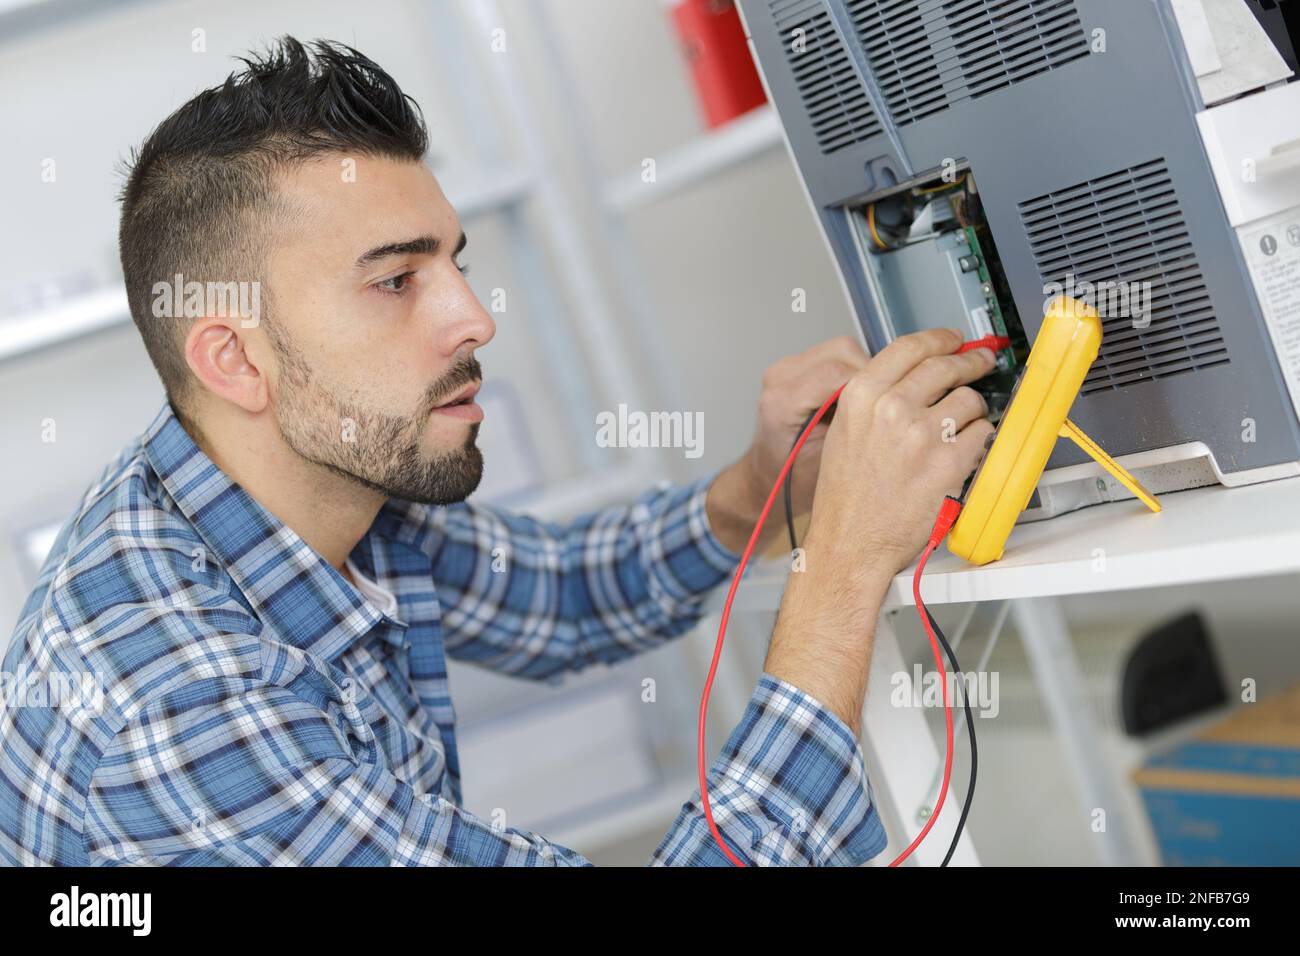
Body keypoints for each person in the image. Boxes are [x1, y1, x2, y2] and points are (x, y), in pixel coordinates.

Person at [0, 38, 995, 866]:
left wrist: (761, 489)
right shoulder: (176, 705)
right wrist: (846, 568)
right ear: (233, 359)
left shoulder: (301, 482)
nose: (473, 318)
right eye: (396, 282)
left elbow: (556, 593)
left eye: (454, 264)